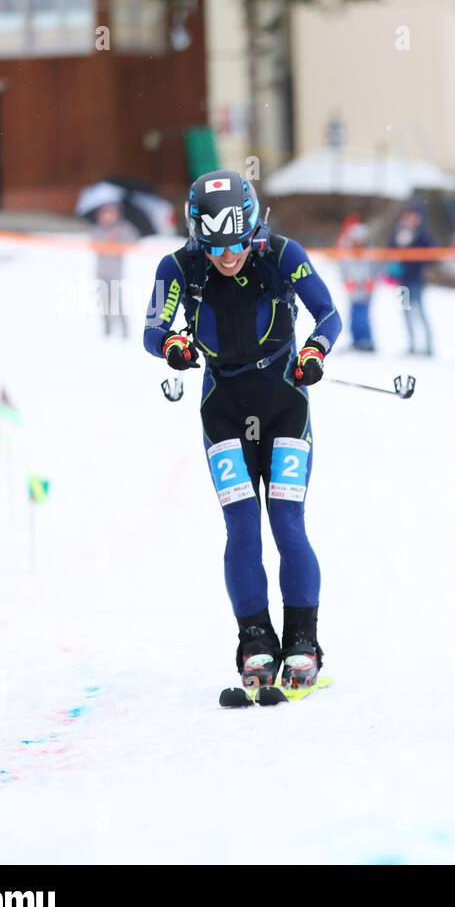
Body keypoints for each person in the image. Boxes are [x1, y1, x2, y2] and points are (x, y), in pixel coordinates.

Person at [144, 170, 341, 690]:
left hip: (284, 406)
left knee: (286, 522)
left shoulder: (282, 254)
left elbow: (328, 316)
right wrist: (174, 348)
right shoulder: (179, 266)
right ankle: (255, 641)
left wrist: (314, 353)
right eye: (214, 247)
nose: (226, 257)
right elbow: (152, 330)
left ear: (253, 228)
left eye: (235, 244)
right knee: (242, 528)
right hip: (223, 410)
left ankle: (302, 639)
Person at [389, 204, 434, 356]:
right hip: (402, 280)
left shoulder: (423, 234)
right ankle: (412, 344)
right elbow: (389, 251)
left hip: (416, 279)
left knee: (420, 311)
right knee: (405, 312)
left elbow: (430, 254)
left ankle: (428, 346)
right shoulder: (398, 232)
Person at [92, 203, 139, 338]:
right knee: (103, 304)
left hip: (115, 275)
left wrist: (118, 237)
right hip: (101, 273)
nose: (107, 218)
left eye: (110, 215)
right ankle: (107, 331)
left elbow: (134, 239)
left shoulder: (123, 229)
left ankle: (125, 332)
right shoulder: (98, 231)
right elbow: (93, 243)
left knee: (118, 304)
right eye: (104, 215)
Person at [341, 223, 377, 351]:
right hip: (353, 289)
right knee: (353, 314)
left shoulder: (369, 253)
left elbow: (374, 269)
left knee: (362, 315)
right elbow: (344, 269)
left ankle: (366, 341)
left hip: (365, 289)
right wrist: (347, 281)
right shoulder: (348, 253)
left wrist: (370, 281)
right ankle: (356, 340)